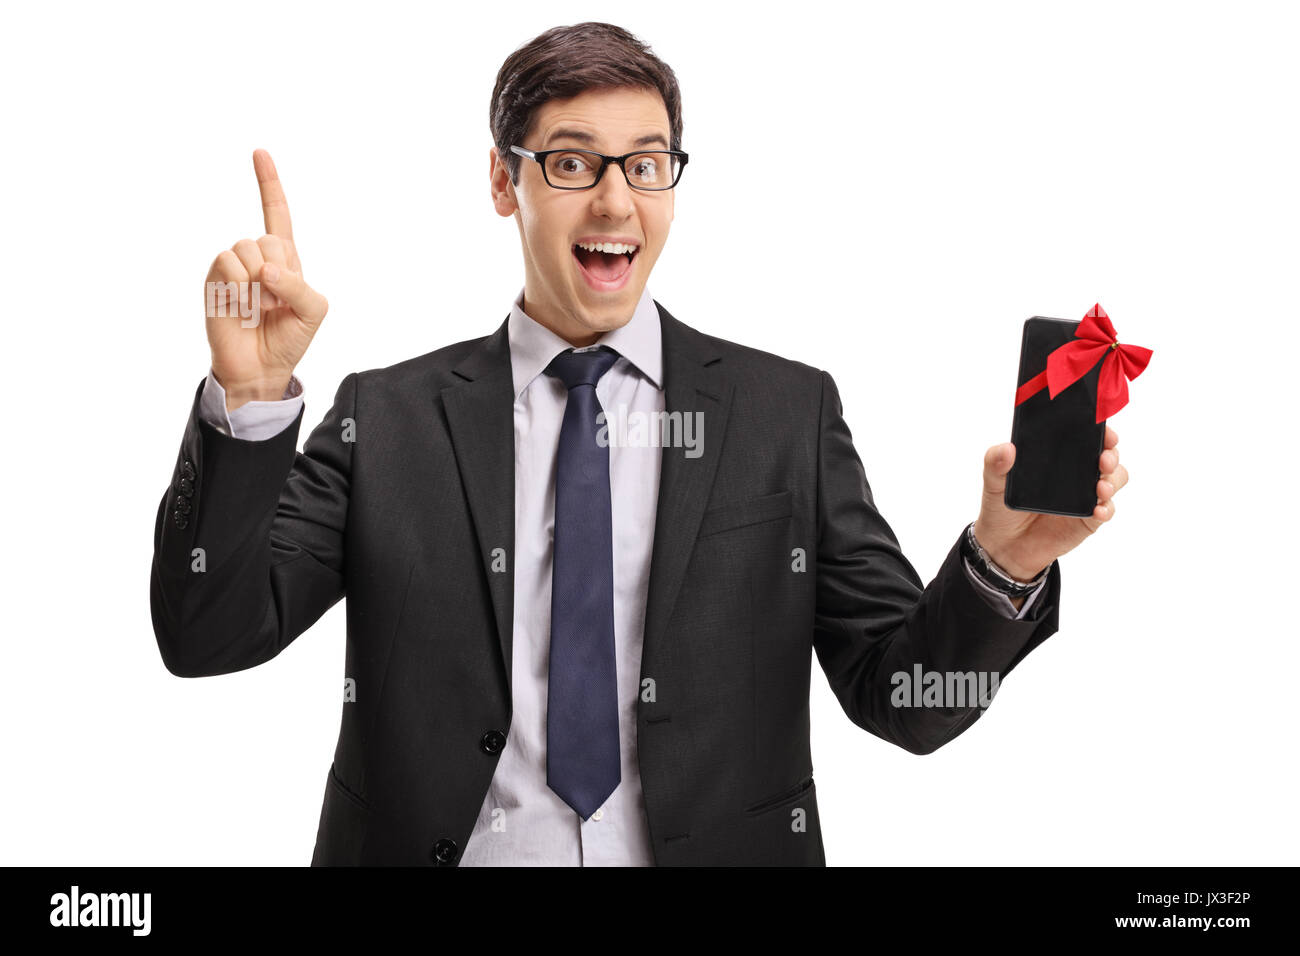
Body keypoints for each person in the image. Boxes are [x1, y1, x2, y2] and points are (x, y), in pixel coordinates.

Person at [150, 21, 1128, 866]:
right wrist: (249, 395)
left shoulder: (785, 411)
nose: (616, 200)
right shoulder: (388, 417)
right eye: (572, 162)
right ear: (503, 179)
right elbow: (207, 636)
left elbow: (905, 700)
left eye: (646, 163)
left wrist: (1002, 565)